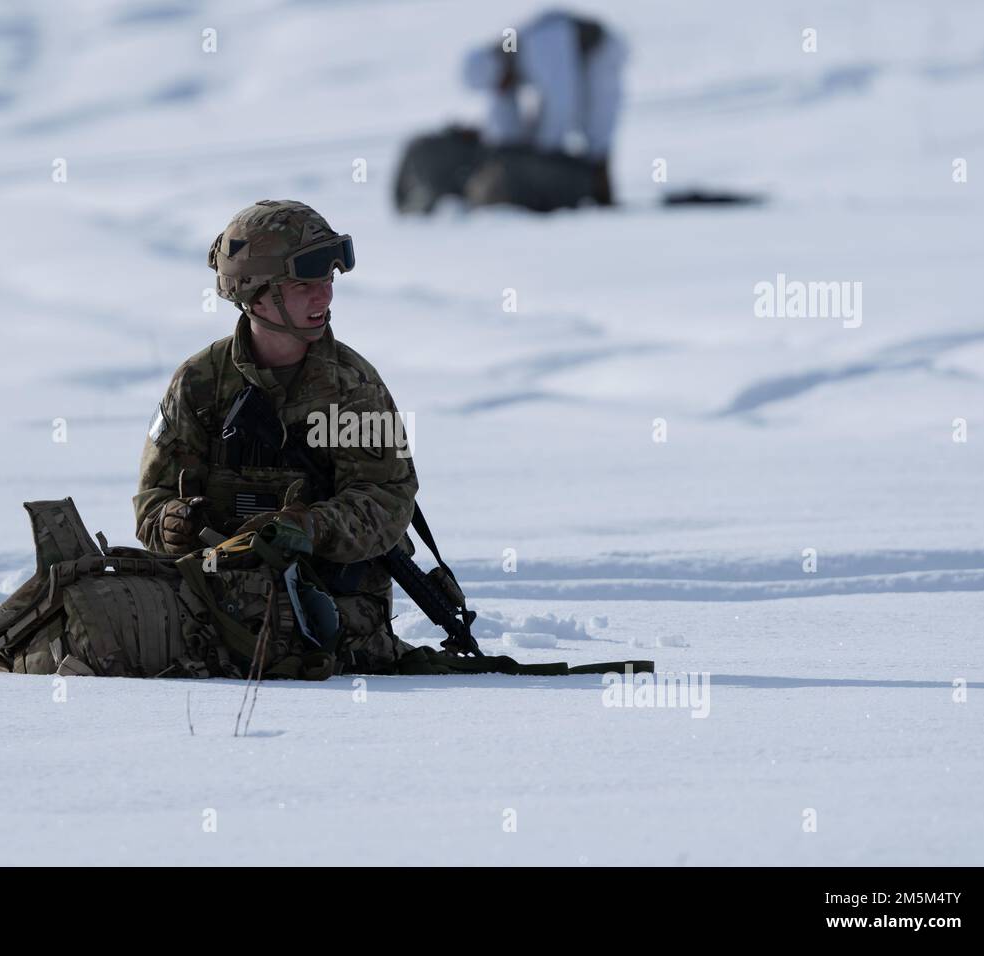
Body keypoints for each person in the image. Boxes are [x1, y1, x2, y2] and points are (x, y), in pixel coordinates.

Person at [132, 199, 418, 674]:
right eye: (304, 285)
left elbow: (388, 499)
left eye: (327, 282)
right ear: (254, 293)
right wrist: (171, 524)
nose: (324, 297)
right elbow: (153, 500)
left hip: (329, 606)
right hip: (217, 595)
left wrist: (310, 529)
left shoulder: (353, 386)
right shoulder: (200, 384)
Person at [463, 9, 627, 205]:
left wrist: (544, 158)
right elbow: (504, 116)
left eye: (501, 83)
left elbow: (562, 104)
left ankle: (601, 191)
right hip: (568, 61)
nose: (503, 88)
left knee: (596, 130)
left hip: (601, 54)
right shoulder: (507, 57)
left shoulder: (541, 45)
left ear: (500, 68)